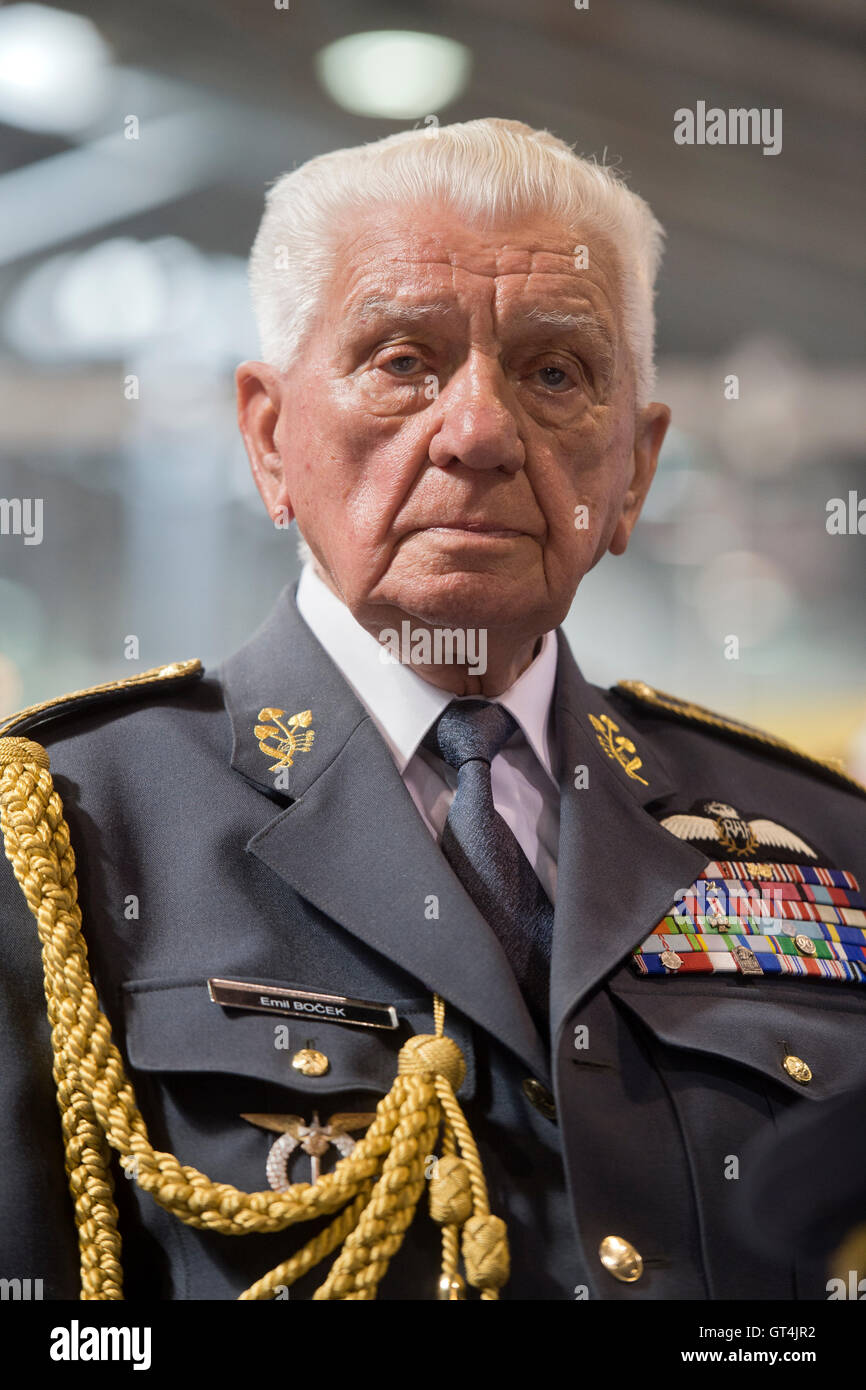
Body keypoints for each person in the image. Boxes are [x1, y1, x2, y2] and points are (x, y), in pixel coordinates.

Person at [1, 118, 864, 1302]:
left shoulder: (820, 840)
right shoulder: (61, 839)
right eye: (401, 360)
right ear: (268, 438)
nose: (478, 432)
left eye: (555, 371)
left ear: (634, 471)